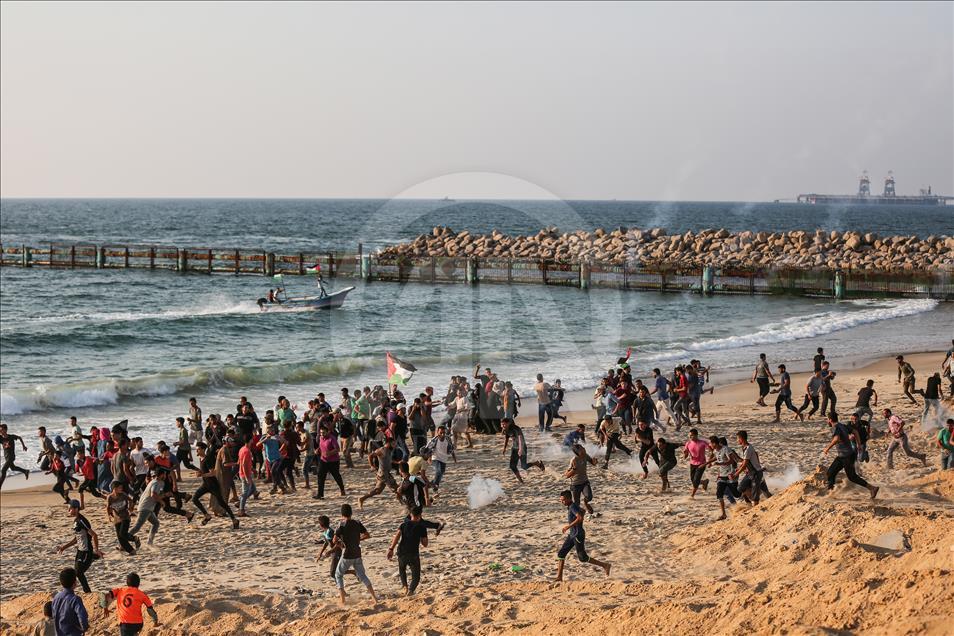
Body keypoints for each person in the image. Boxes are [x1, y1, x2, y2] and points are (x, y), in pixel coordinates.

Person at [554, 490, 611, 582]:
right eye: (561, 500)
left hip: (578, 535)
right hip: (572, 534)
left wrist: (568, 526)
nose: (562, 502)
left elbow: (580, 517)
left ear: (569, 499)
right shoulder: (572, 506)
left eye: (563, 500)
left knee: (583, 558)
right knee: (561, 554)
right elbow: (583, 511)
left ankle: (605, 565)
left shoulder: (572, 506)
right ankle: (559, 577)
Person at [823, 414, 879, 499]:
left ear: (830, 420)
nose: (827, 421)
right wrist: (858, 444)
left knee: (852, 477)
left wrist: (827, 448)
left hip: (847, 456)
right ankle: (831, 492)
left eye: (827, 419)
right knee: (830, 472)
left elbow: (836, 438)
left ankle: (872, 488)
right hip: (843, 456)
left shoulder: (835, 427)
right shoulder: (842, 425)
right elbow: (855, 431)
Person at [333, 504, 377, 606]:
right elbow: (367, 535)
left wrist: (340, 545)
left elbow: (334, 540)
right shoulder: (357, 522)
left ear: (342, 514)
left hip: (347, 554)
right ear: (351, 513)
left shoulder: (341, 524)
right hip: (357, 553)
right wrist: (358, 539)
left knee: (338, 575)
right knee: (363, 576)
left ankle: (343, 600)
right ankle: (375, 599)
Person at [56, 500, 104, 593]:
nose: (68, 510)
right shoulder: (75, 521)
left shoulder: (82, 520)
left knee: (78, 572)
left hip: (86, 550)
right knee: (77, 572)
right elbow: (76, 539)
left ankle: (88, 592)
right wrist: (64, 547)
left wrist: (97, 549)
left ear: (76, 509)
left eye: (70, 509)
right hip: (80, 550)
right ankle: (93, 557)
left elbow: (94, 535)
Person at [191, 442, 239, 529]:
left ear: (203, 450)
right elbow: (204, 471)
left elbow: (213, 473)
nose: (196, 451)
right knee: (194, 499)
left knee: (222, 503)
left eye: (198, 449)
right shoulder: (201, 459)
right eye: (196, 449)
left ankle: (234, 519)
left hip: (213, 485)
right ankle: (207, 515)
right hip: (205, 484)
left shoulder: (207, 459)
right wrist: (199, 472)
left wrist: (202, 475)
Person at [386, 505, 429, 596]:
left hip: (401, 552)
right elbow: (425, 544)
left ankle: (405, 586)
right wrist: (423, 537)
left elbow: (397, 537)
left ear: (410, 514)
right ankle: (411, 590)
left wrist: (391, 549)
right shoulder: (421, 527)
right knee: (416, 576)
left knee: (402, 569)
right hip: (413, 553)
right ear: (420, 515)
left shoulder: (403, 525)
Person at [358, 437, 399, 509]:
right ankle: (405, 504)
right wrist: (372, 466)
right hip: (384, 474)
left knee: (377, 490)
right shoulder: (382, 450)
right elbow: (370, 456)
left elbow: (388, 460)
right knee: (396, 489)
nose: (395, 445)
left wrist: (398, 462)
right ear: (388, 443)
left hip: (384, 473)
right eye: (393, 443)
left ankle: (362, 499)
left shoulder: (389, 450)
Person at [732, 430, 771, 504]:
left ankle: (755, 502)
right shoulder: (744, 447)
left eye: (737, 439)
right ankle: (750, 499)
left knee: (759, 496)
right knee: (740, 488)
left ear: (741, 439)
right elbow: (749, 459)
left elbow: (745, 464)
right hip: (750, 473)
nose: (737, 440)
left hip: (756, 474)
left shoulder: (748, 448)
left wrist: (735, 474)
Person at [501, 418, 545, 483]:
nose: (503, 426)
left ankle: (536, 463)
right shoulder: (505, 430)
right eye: (502, 424)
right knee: (512, 466)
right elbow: (506, 438)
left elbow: (520, 439)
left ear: (508, 423)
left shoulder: (516, 429)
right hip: (514, 448)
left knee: (524, 466)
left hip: (522, 448)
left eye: (504, 424)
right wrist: (504, 448)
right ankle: (520, 480)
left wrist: (520, 449)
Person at [707, 436, 740, 520]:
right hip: (722, 475)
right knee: (720, 493)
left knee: (736, 493)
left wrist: (735, 472)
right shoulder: (717, 451)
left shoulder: (728, 450)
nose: (709, 445)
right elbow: (715, 457)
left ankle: (745, 495)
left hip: (731, 475)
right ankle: (724, 514)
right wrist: (707, 463)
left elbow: (735, 461)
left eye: (711, 443)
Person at [52, 568, 89, 636]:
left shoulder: (56, 597)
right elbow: (82, 618)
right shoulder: (75, 599)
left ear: (61, 582)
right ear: (75, 583)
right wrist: (84, 628)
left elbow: (54, 616)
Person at [105, 480, 138, 554]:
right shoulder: (110, 497)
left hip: (125, 517)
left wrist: (130, 508)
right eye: (120, 488)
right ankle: (132, 551)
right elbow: (108, 507)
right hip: (116, 518)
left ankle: (135, 538)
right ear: (114, 488)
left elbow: (131, 500)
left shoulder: (123, 495)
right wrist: (109, 515)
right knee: (120, 538)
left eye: (122, 487)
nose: (121, 489)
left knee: (123, 533)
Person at [315, 426, 346, 500]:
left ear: (328, 432)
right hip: (323, 460)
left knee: (336, 476)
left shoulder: (332, 438)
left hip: (333, 461)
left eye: (323, 433)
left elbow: (337, 449)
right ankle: (320, 494)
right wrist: (318, 450)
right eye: (321, 433)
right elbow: (321, 446)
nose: (322, 434)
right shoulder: (321, 438)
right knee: (320, 476)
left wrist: (330, 453)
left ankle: (342, 489)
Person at [565, 443, 597, 514]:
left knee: (589, 497)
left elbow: (593, 463)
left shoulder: (585, 456)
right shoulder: (574, 460)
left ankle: (585, 503)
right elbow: (567, 475)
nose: (584, 448)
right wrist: (574, 469)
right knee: (577, 503)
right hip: (575, 484)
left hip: (585, 481)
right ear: (578, 452)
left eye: (583, 447)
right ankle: (575, 514)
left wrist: (595, 461)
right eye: (582, 448)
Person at [424, 425, 456, 490]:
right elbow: (428, 450)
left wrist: (454, 457)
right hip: (435, 458)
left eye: (444, 432)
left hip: (444, 459)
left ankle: (430, 484)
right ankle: (435, 485)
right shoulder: (434, 440)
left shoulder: (448, 439)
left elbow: (451, 448)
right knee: (439, 471)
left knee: (441, 473)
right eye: (441, 433)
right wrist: (429, 458)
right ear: (437, 432)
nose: (442, 434)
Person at [0, 422, 30, 489]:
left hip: (11, 457)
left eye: (1, 430)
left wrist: (24, 446)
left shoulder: (11, 437)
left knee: (3, 470)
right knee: (13, 468)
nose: (0, 431)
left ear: (5, 430)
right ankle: (25, 471)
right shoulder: (0, 438)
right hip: (6, 457)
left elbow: (19, 438)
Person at [683, 428, 710, 498]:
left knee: (696, 481)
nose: (690, 437)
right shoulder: (688, 443)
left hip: (701, 463)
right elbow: (685, 456)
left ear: (696, 435)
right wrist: (685, 454)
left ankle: (692, 496)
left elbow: (711, 450)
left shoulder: (702, 443)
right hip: (692, 463)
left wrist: (710, 460)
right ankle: (704, 482)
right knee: (693, 480)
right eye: (689, 435)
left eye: (692, 435)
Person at [315, 514, 342, 580]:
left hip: (337, 552)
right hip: (333, 552)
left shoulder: (330, 532)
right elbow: (326, 542)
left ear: (321, 525)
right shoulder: (325, 532)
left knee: (333, 573)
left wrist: (329, 551)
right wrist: (320, 553)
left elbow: (338, 544)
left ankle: (353, 572)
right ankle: (339, 584)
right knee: (336, 571)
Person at [237, 437, 258, 517]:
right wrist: (246, 477)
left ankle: (240, 502)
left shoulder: (242, 449)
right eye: (252, 439)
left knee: (253, 489)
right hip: (245, 474)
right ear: (250, 440)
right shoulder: (246, 451)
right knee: (245, 492)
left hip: (245, 473)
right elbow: (243, 464)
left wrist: (252, 469)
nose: (253, 440)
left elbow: (240, 462)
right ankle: (241, 510)